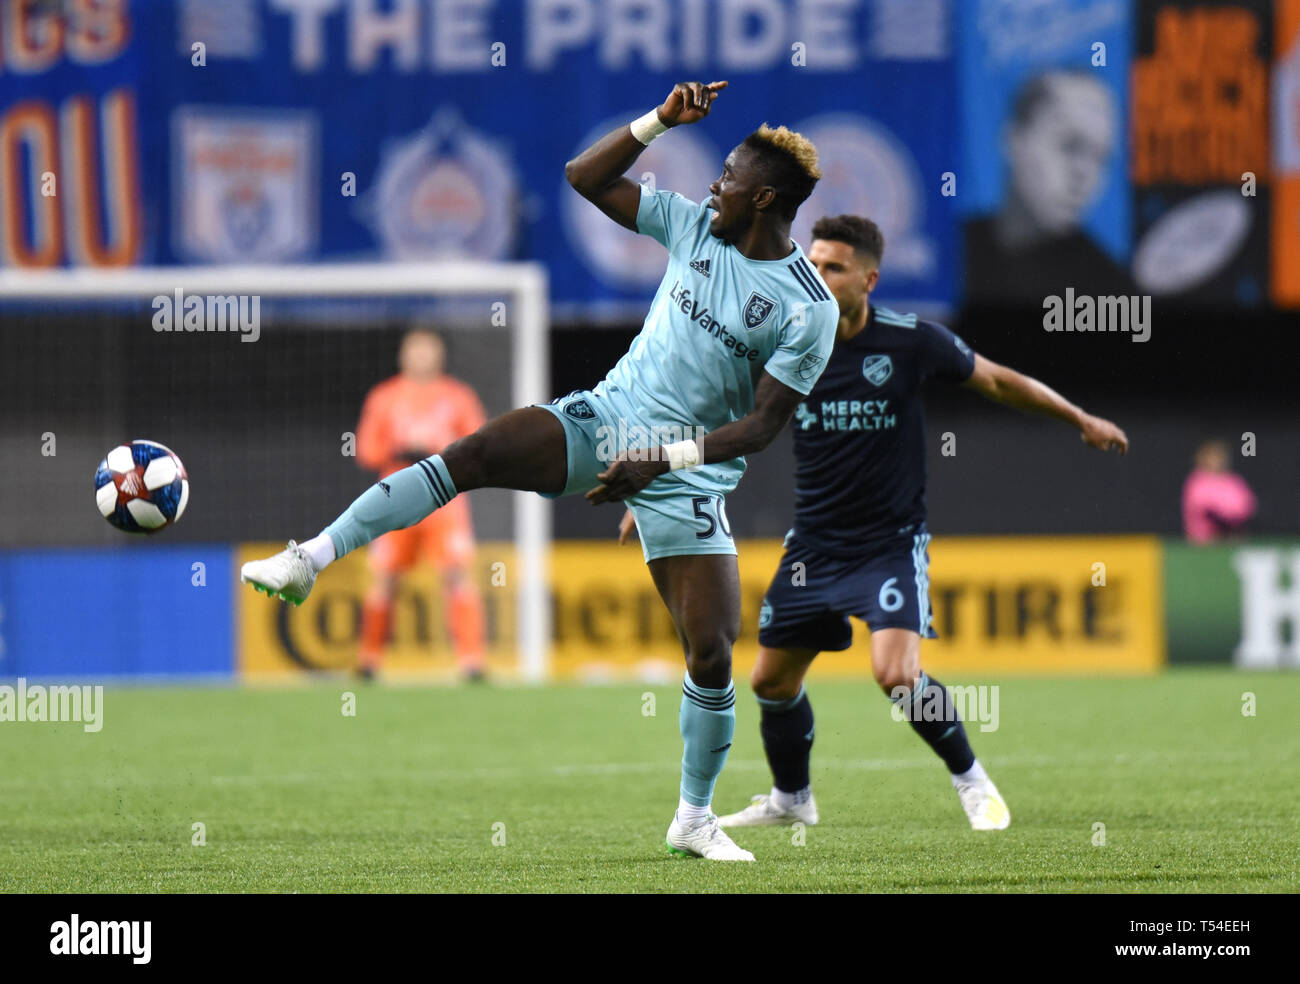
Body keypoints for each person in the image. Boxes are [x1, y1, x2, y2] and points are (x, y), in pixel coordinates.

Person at [239, 81, 839, 861]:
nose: (711, 185)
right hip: (610, 416)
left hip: (688, 471)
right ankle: (308, 558)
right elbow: (583, 178)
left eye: (725, 176)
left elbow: (761, 427)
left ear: (762, 198)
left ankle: (694, 818)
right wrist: (658, 120)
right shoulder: (695, 228)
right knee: (474, 455)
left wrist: (663, 461)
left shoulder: (804, 308)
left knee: (713, 650)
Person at [619, 214, 1126, 831]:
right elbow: (714, 406)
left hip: (888, 545)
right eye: (812, 264)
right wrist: (657, 480)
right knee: (770, 682)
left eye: (833, 267)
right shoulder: (789, 341)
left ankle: (973, 782)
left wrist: (1079, 418)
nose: (817, 276)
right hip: (812, 547)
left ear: (869, 279)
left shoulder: (912, 342)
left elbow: (997, 380)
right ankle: (791, 801)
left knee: (896, 674)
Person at [353, 328, 488, 681]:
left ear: (440, 355)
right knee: (384, 577)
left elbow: (480, 444)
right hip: (394, 496)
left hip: (444, 499)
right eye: (416, 350)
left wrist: (438, 449)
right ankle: (368, 661)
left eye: (429, 350)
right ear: (404, 355)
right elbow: (366, 449)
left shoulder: (458, 396)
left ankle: (472, 663)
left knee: (458, 573)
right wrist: (399, 450)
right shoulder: (385, 397)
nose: (422, 357)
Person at [1182, 439, 1256, 543]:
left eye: (1220, 456)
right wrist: (1224, 525)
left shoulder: (1234, 480)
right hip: (1205, 542)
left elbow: (1247, 507)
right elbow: (1204, 510)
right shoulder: (1197, 481)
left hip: (1234, 538)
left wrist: (1233, 524)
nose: (1218, 460)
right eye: (1213, 456)